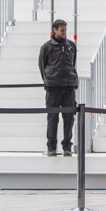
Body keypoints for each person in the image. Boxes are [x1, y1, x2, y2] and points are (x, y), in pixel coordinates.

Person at [38, 18, 78, 156]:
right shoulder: (46, 47)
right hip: (53, 87)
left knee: (69, 117)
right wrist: (49, 80)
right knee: (52, 117)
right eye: (62, 30)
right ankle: (51, 147)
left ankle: (67, 146)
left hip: (69, 87)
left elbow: (73, 63)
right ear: (54, 30)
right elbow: (42, 66)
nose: (64, 33)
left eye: (65, 30)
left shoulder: (71, 45)